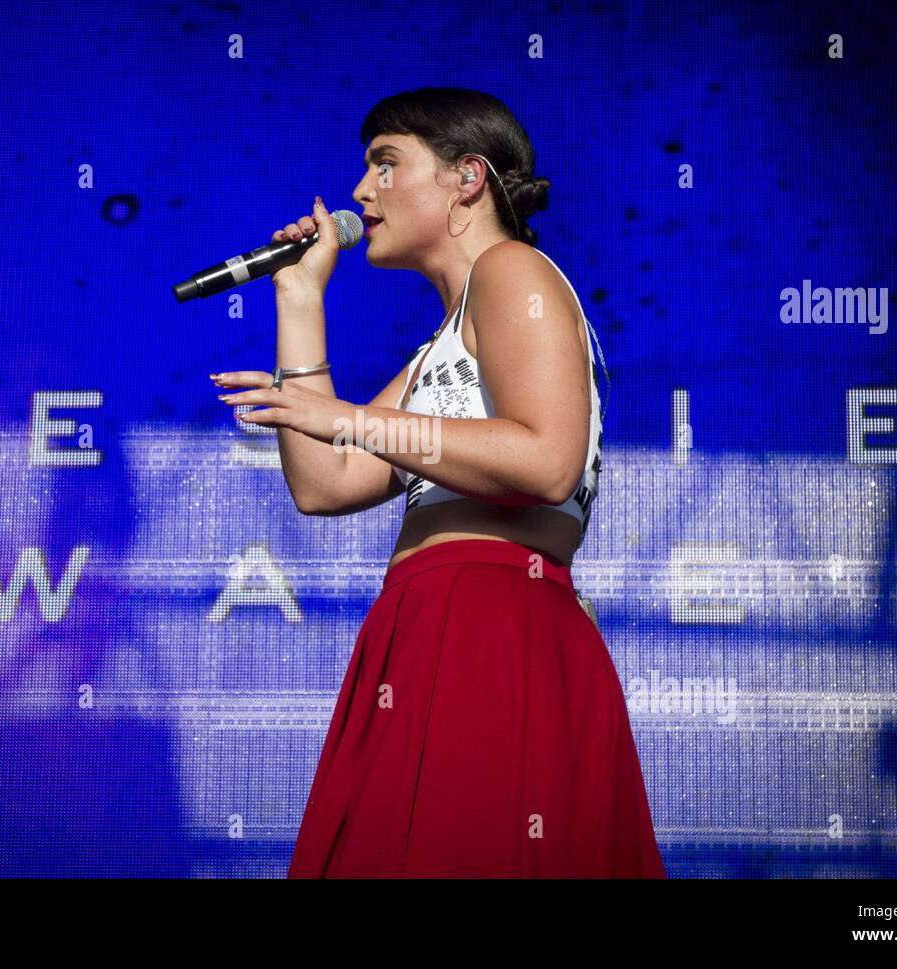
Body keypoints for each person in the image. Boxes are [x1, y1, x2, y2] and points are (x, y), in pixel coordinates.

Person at [210, 87, 665, 878]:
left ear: (468, 178)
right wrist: (300, 297)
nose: (360, 192)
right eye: (365, 169)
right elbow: (324, 484)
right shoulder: (434, 350)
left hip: (489, 619)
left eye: (386, 165)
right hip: (423, 621)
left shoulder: (512, 270)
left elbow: (546, 458)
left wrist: (351, 418)